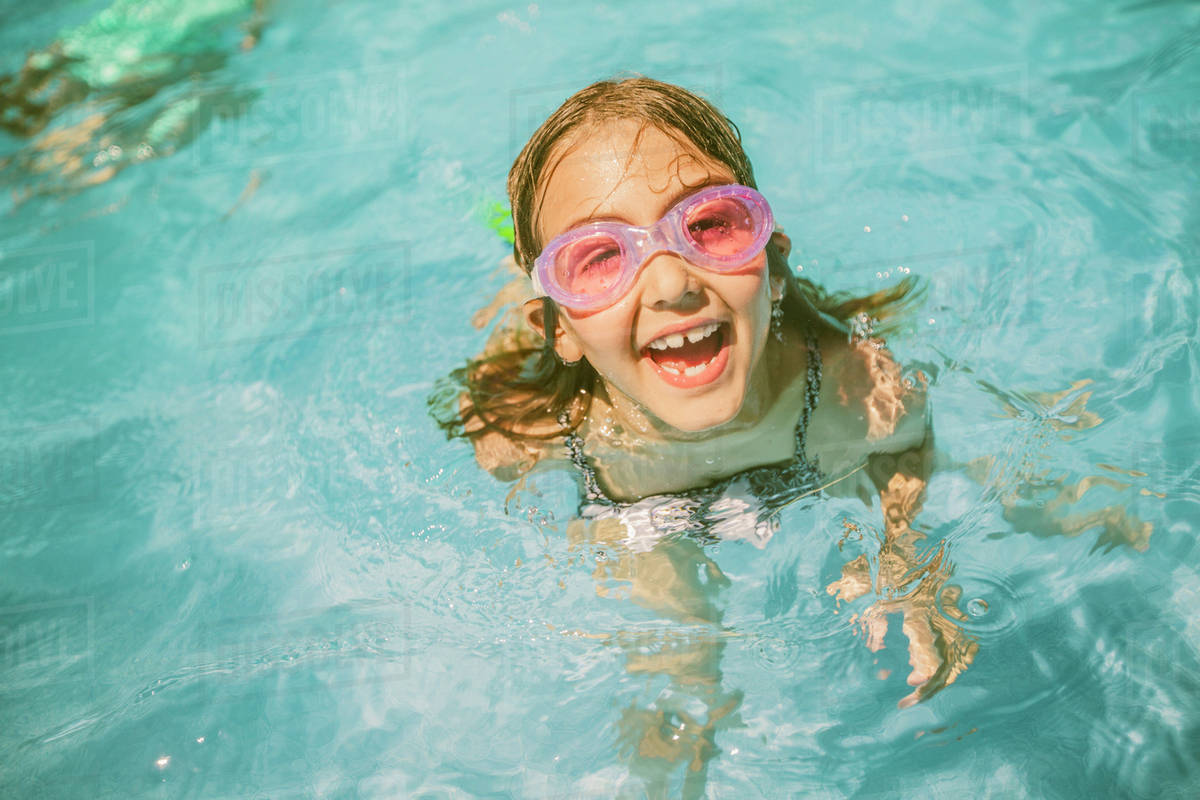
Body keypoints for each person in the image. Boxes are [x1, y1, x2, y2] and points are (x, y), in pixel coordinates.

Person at [430, 77, 975, 792]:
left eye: (708, 224)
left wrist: (905, 557)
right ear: (559, 332)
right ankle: (517, 261)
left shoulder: (856, 391)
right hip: (618, 482)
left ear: (774, 264)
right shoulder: (528, 432)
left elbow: (904, 448)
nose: (669, 286)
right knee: (677, 661)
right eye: (597, 257)